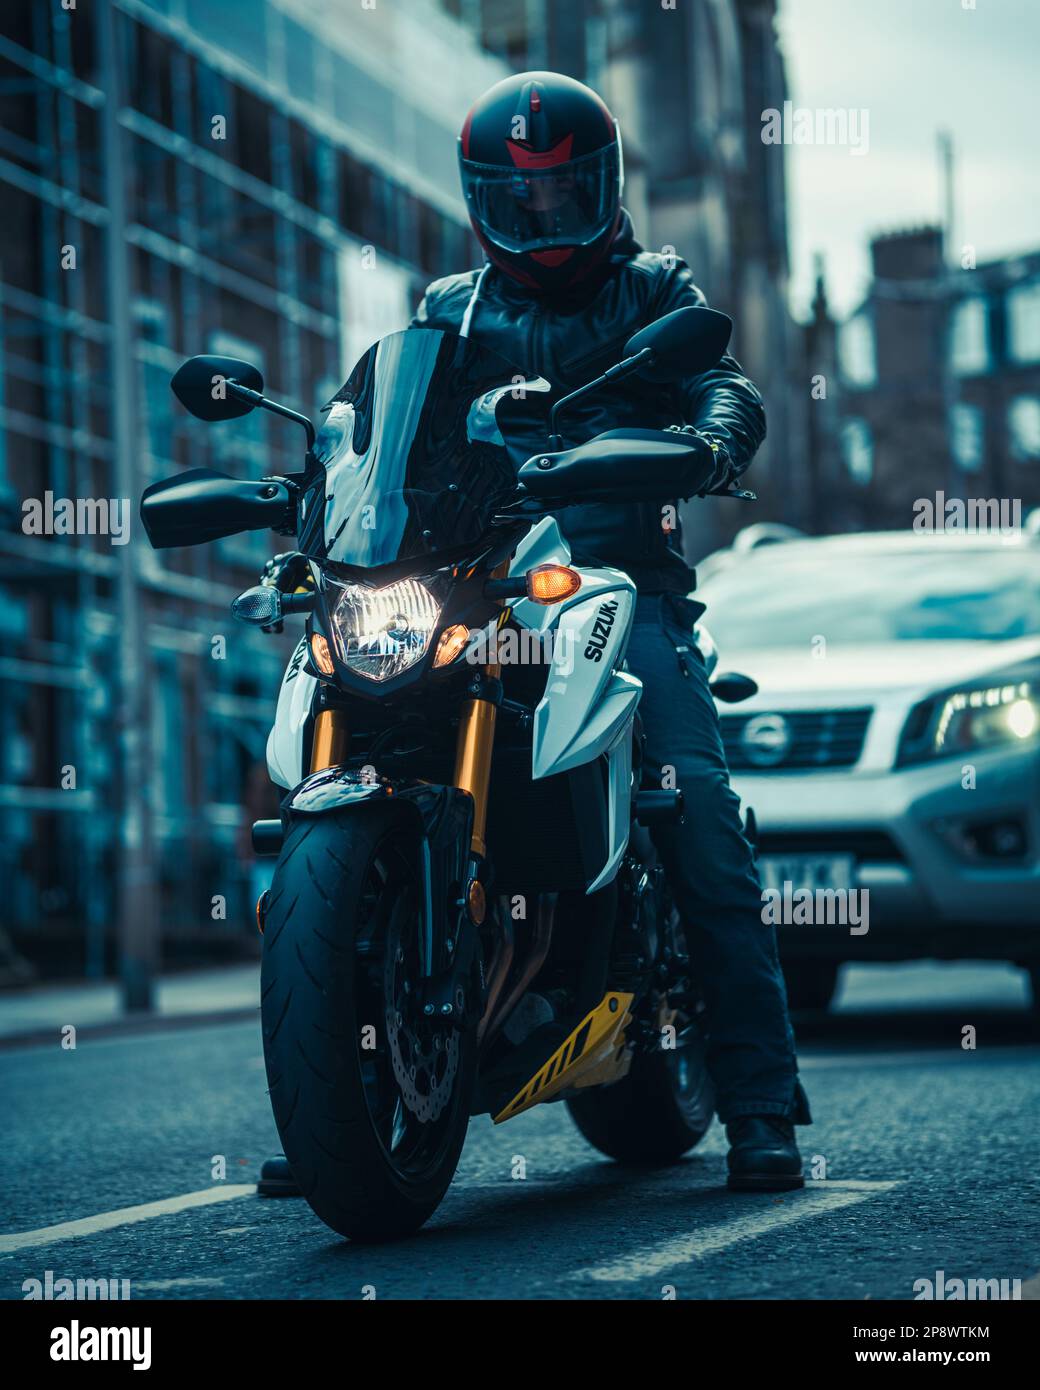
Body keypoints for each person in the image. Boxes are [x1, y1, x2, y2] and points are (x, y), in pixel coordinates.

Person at [260, 69, 809, 1199]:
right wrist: (315, 477)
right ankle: (335, 1099)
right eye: (522, 196)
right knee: (347, 718)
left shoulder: (653, 288)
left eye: (566, 192)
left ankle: (758, 1103)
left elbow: (724, 387)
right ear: (481, 200)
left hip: (615, 584)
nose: (546, 214)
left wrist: (708, 442)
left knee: (696, 813)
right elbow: (372, 425)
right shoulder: (448, 312)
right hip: (474, 580)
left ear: (602, 189)